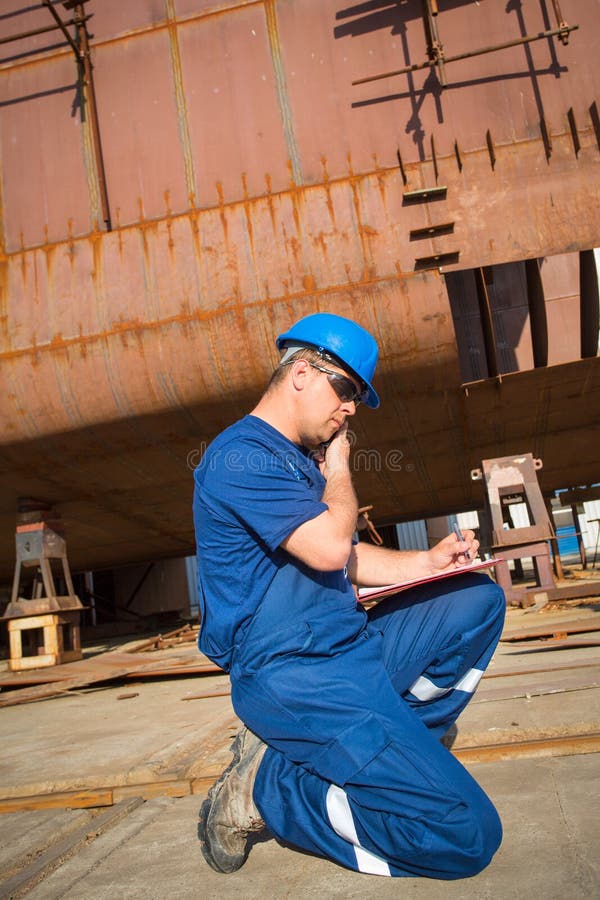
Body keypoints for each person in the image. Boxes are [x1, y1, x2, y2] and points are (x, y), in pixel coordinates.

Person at [193, 312, 506, 879]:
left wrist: (429, 562)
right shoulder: (238, 457)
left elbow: (345, 562)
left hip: (348, 647)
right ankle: (265, 791)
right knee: (466, 835)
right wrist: (339, 468)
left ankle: (404, 745)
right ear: (302, 373)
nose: (351, 409)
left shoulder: (294, 460)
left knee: (476, 600)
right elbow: (331, 549)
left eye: (357, 396)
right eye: (347, 390)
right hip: (292, 673)